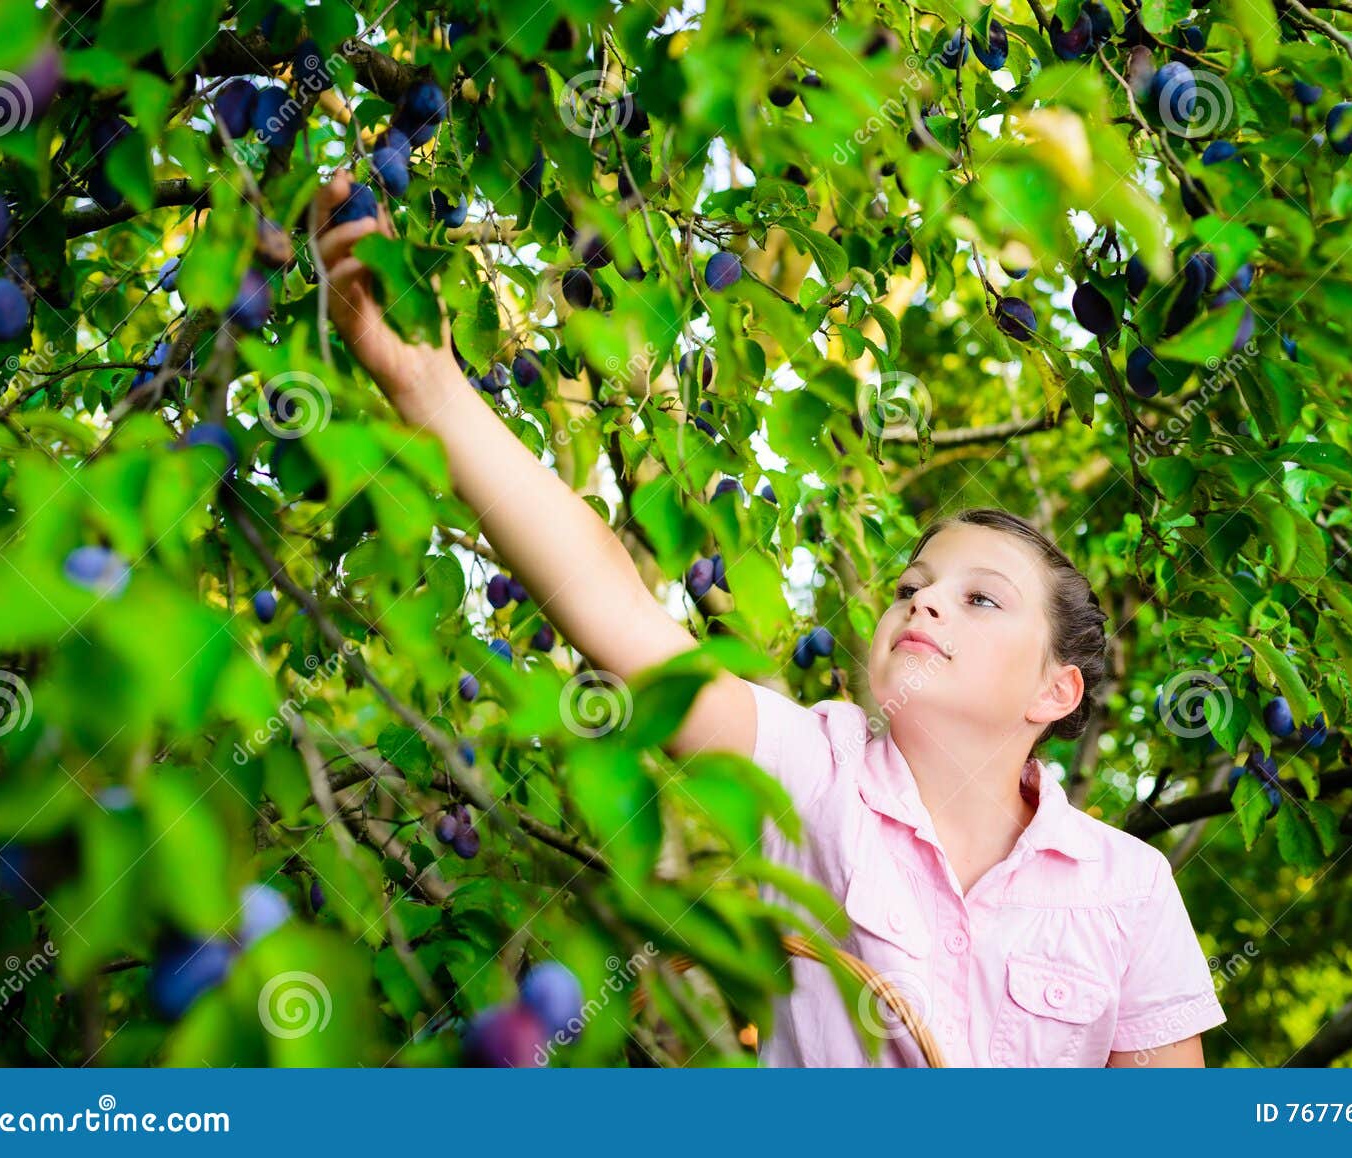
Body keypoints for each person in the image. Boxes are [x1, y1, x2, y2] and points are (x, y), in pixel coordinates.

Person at [310, 171, 1228, 1067]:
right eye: (913, 587)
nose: (926, 600)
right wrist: (429, 388)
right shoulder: (815, 772)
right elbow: (614, 610)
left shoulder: (1127, 887)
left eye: (980, 597)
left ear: (1053, 691)